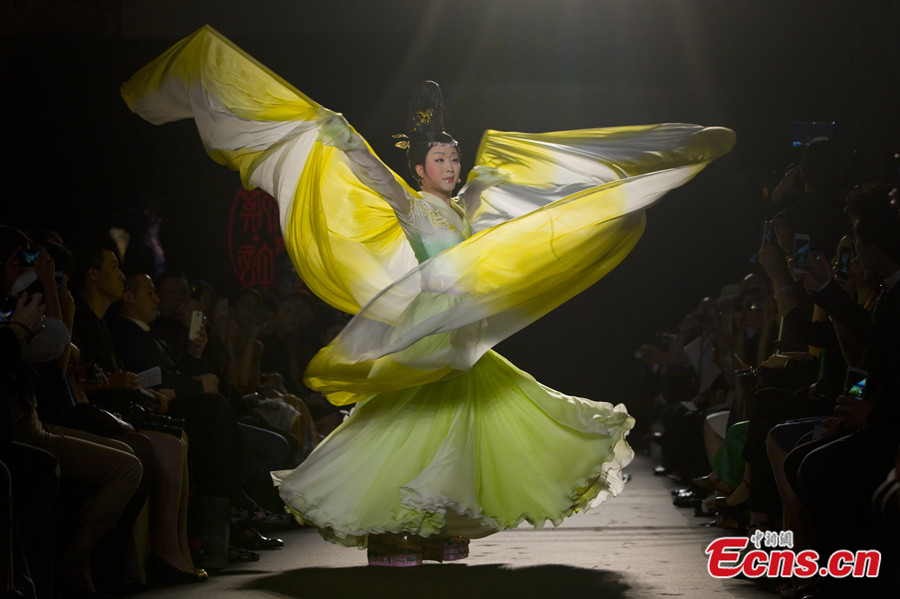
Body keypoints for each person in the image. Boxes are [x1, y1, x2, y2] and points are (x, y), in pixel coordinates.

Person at [122, 26, 734, 566]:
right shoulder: (413, 207)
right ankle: (391, 531)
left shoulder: (464, 206)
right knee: (406, 426)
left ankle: (438, 526)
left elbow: (511, 214)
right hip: (425, 327)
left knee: (461, 427)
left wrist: (575, 194)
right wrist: (342, 138)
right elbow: (370, 173)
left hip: (461, 329)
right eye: (441, 158)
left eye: (454, 157)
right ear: (420, 168)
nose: (451, 164)